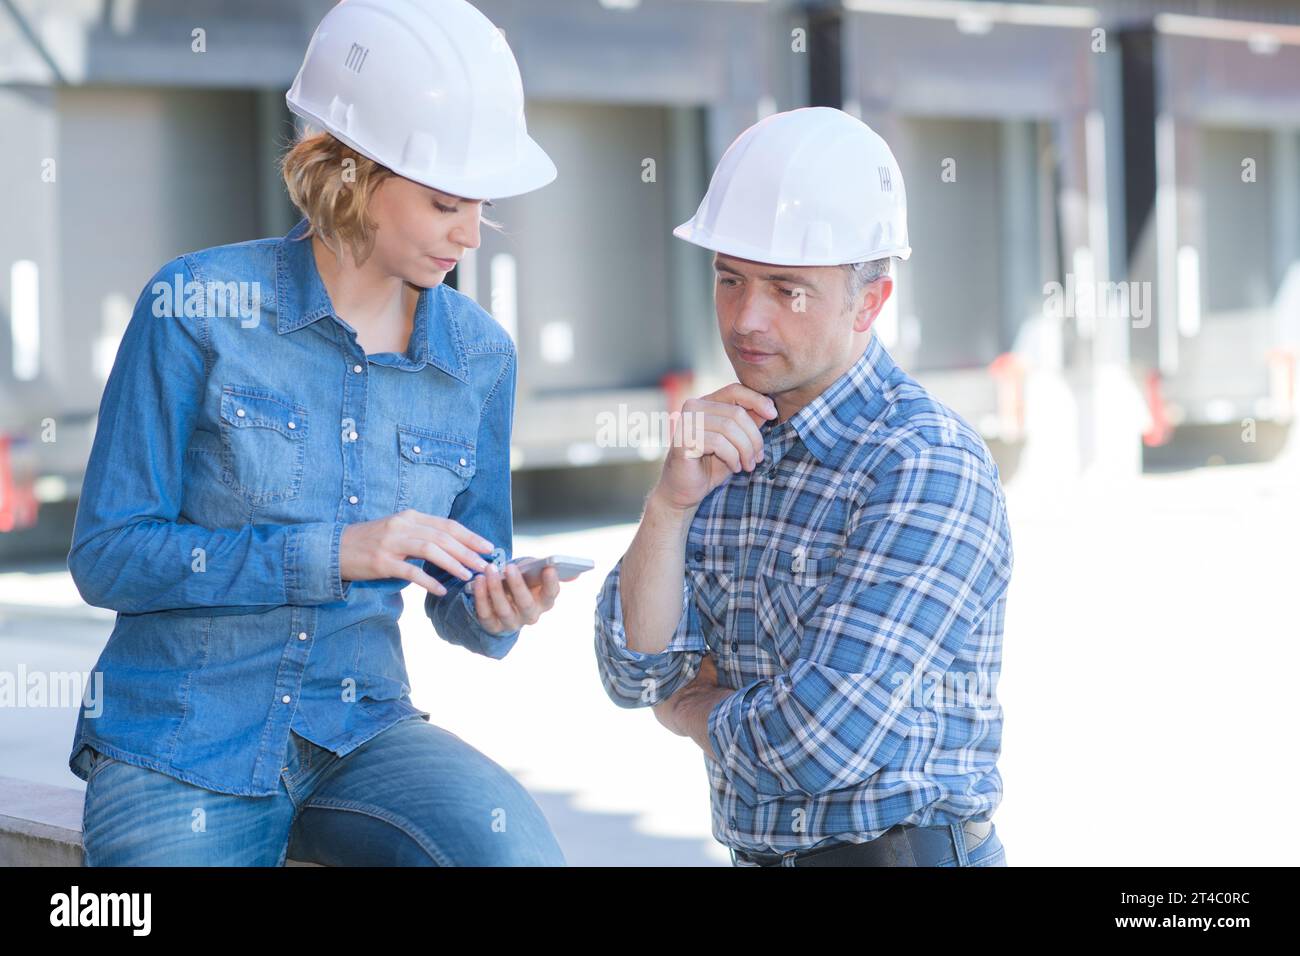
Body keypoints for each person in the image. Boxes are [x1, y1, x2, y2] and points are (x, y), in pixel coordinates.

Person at [69, 0, 568, 866]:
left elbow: (465, 593)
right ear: (347, 173)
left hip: (361, 734)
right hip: (183, 735)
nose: (470, 233)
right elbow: (108, 554)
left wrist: (497, 604)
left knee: (517, 856)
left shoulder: (480, 357)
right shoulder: (196, 307)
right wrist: (333, 550)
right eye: (446, 201)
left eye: (480, 204)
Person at [593, 106, 1014, 867]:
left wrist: (692, 712)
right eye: (730, 279)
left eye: (788, 290)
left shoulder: (922, 462)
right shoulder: (718, 447)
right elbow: (633, 672)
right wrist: (669, 507)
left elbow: (822, 739)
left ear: (870, 302)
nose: (747, 318)